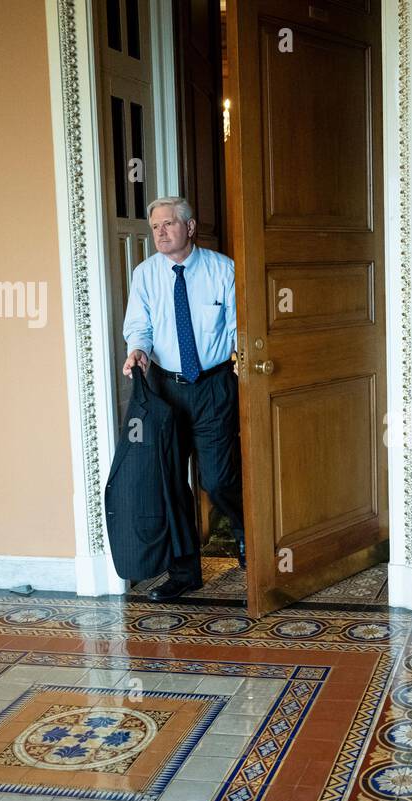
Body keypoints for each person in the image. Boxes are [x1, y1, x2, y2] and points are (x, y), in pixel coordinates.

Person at [122, 196, 245, 600]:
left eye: (169, 224)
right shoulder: (145, 275)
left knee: (218, 477)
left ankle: (246, 532)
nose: (160, 232)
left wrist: (244, 355)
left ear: (189, 228)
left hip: (213, 385)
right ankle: (184, 571)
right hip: (164, 390)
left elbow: (238, 325)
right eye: (155, 226)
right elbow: (139, 325)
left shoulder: (222, 269)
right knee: (171, 482)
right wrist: (137, 349)